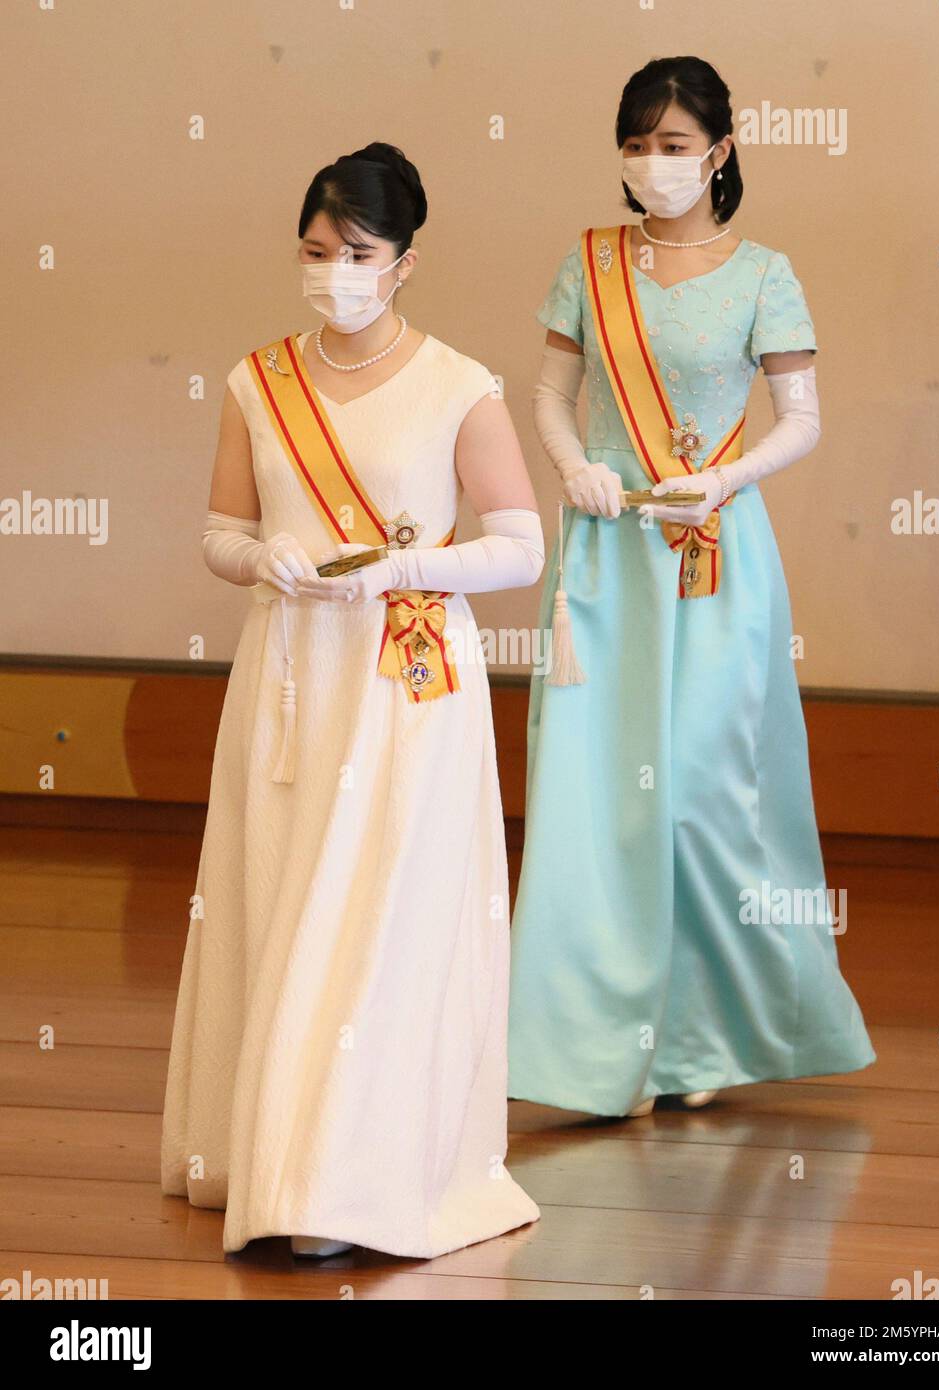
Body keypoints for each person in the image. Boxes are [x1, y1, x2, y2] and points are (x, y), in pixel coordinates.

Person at [160, 142, 543, 1258]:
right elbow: (218, 532)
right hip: (289, 675)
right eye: (317, 251)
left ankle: (340, 1175)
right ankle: (265, 1152)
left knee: (380, 913)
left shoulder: (458, 385)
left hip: (405, 678)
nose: (335, 271)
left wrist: (403, 569)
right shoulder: (256, 382)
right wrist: (256, 559)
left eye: (359, 253)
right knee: (283, 896)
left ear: (405, 262)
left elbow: (519, 544)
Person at [507, 59, 876, 1119]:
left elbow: (803, 421)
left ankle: (706, 1034)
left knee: (710, 796)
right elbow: (548, 392)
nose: (652, 162)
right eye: (637, 142)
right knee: (599, 796)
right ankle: (587, 1049)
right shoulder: (591, 263)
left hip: (715, 554)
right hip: (608, 553)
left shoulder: (766, 272)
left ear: (719, 150)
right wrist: (573, 465)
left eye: (673, 143)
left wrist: (722, 477)